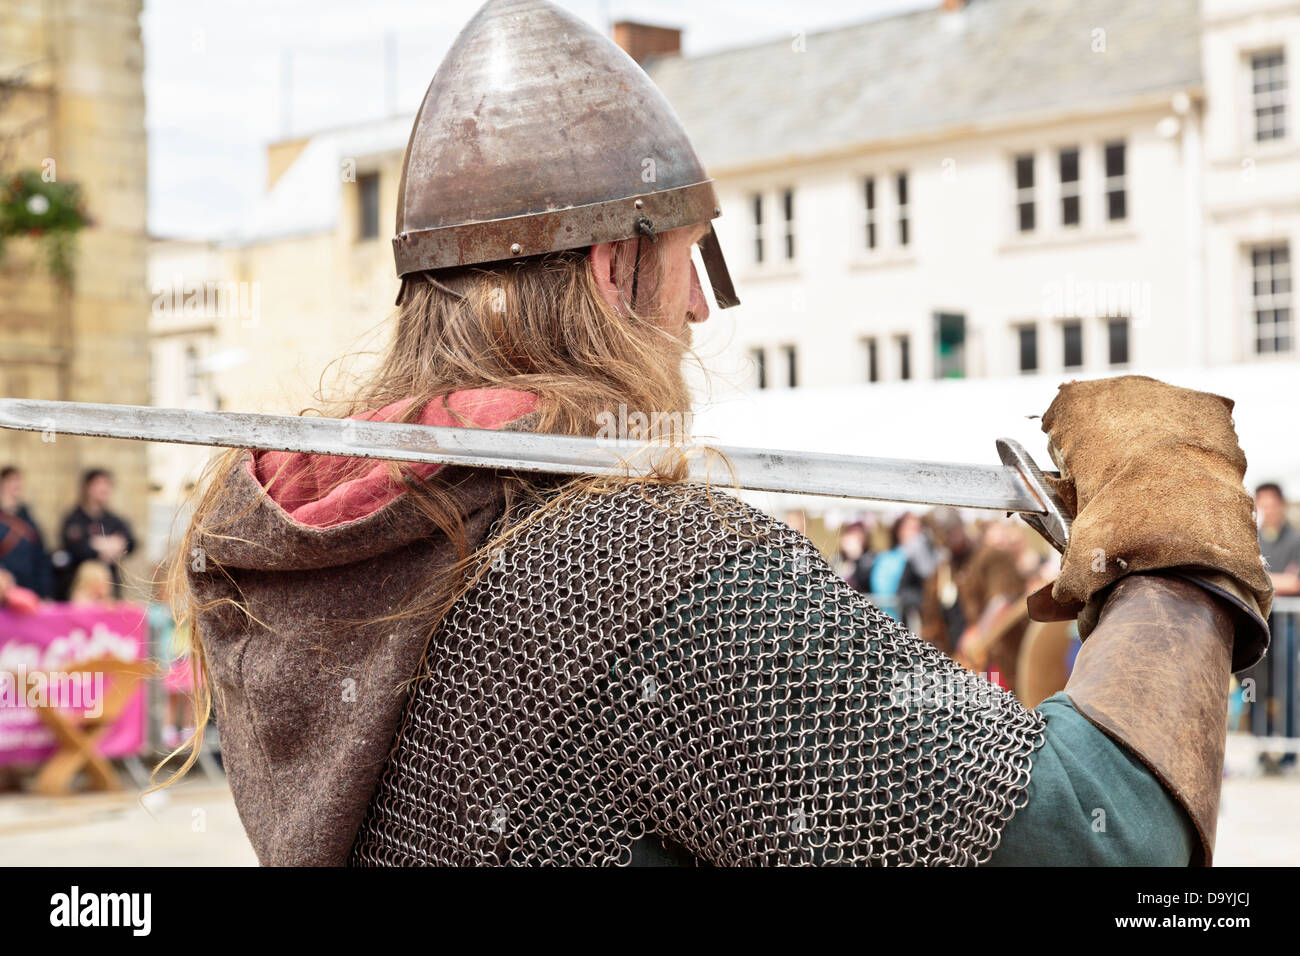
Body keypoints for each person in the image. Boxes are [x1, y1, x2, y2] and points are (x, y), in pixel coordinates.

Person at [168, 0, 1272, 868]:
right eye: (693, 259)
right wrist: (1172, 552)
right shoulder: (644, 574)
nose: (698, 309)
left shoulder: (282, 552)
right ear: (613, 268)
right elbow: (1095, 838)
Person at [1249, 482, 1300, 770]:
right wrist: (1278, 581)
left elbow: (1295, 583)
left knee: (1288, 685)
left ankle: (1290, 748)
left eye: (1272, 503)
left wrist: (1263, 581)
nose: (1267, 509)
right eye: (1262, 504)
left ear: (1281, 505)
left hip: (1289, 626)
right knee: (1257, 685)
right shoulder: (1252, 539)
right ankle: (1263, 746)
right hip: (1261, 624)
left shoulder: (1296, 539)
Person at [55, 468, 135, 600]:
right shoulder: (74, 519)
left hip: (109, 586)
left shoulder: (114, 520)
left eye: (107, 484)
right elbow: (74, 547)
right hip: (79, 586)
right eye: (99, 484)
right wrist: (105, 547)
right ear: (87, 487)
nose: (104, 489)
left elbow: (130, 543)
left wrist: (98, 544)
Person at [0, 466, 54, 598]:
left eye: (17, 486)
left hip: (28, 590)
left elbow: (40, 556)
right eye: (10, 485)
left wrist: (45, 592)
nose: (14, 491)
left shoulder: (29, 521)